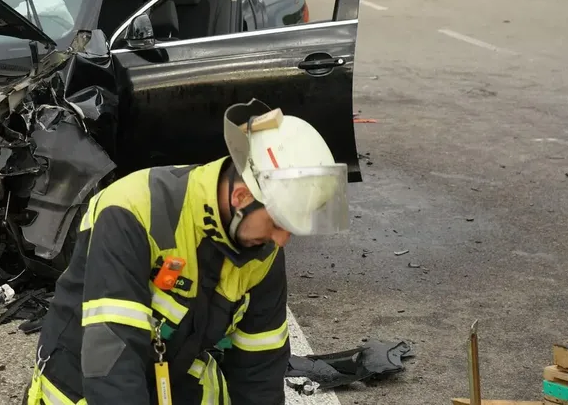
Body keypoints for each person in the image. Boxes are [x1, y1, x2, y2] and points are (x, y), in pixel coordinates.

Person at [24, 99, 351, 405]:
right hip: (84, 382)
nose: (282, 240)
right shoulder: (133, 211)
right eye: (279, 222)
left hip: (168, 370)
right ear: (241, 198)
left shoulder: (262, 250)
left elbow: (259, 370)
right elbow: (111, 360)